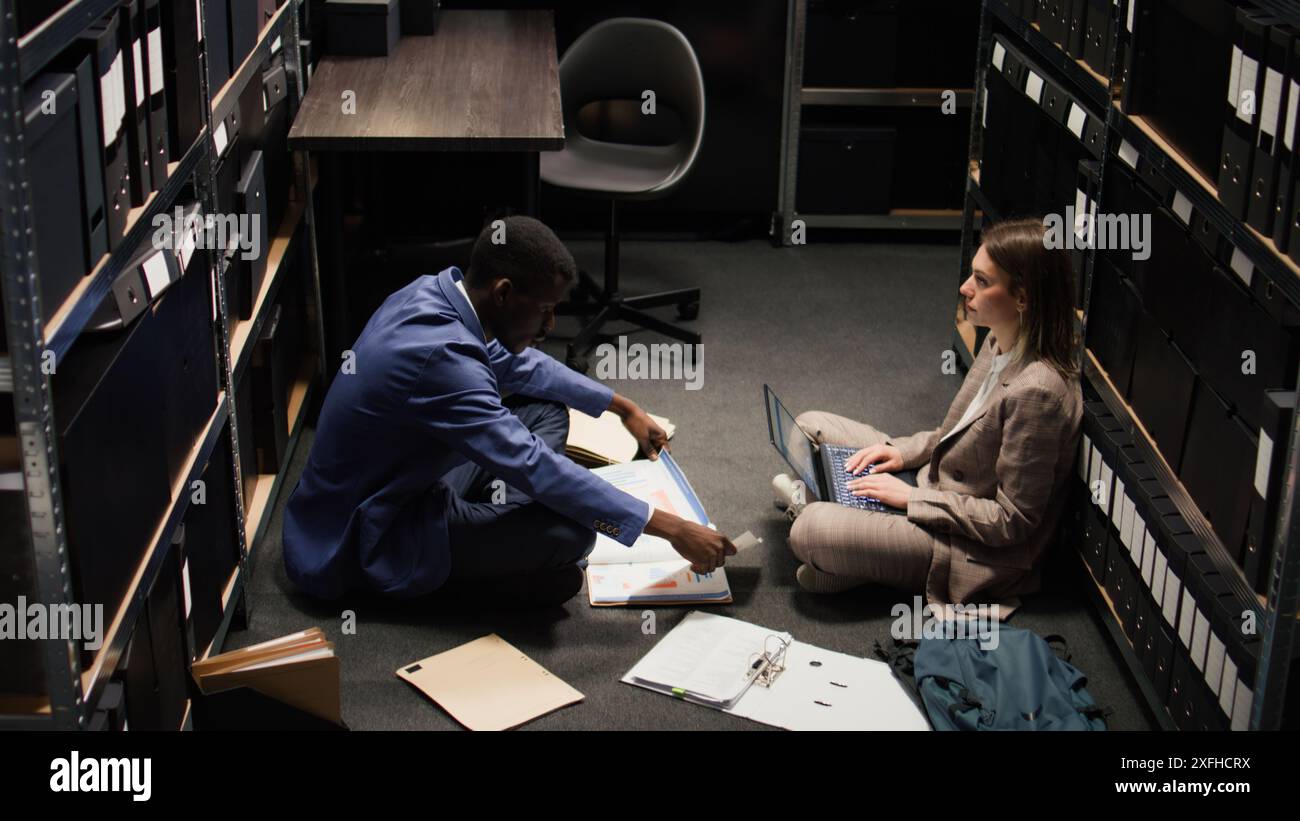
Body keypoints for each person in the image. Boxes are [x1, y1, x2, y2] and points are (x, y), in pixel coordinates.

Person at [283, 216, 735, 606]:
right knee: (572, 536)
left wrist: (621, 406)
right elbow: (531, 462)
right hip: (368, 533)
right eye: (545, 310)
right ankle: (427, 580)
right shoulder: (442, 360)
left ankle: (507, 526)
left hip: (407, 477)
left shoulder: (433, 292)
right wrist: (674, 529)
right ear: (503, 293)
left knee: (548, 414)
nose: (551, 325)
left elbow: (518, 365)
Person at [779, 218, 1083, 617]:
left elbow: (1013, 522)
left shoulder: (1038, 392)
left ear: (1022, 298)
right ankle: (853, 551)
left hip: (967, 545)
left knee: (809, 530)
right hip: (936, 482)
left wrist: (913, 499)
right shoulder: (998, 337)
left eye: (981, 281)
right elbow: (954, 432)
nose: (965, 288)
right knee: (806, 426)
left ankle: (836, 530)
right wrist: (902, 454)